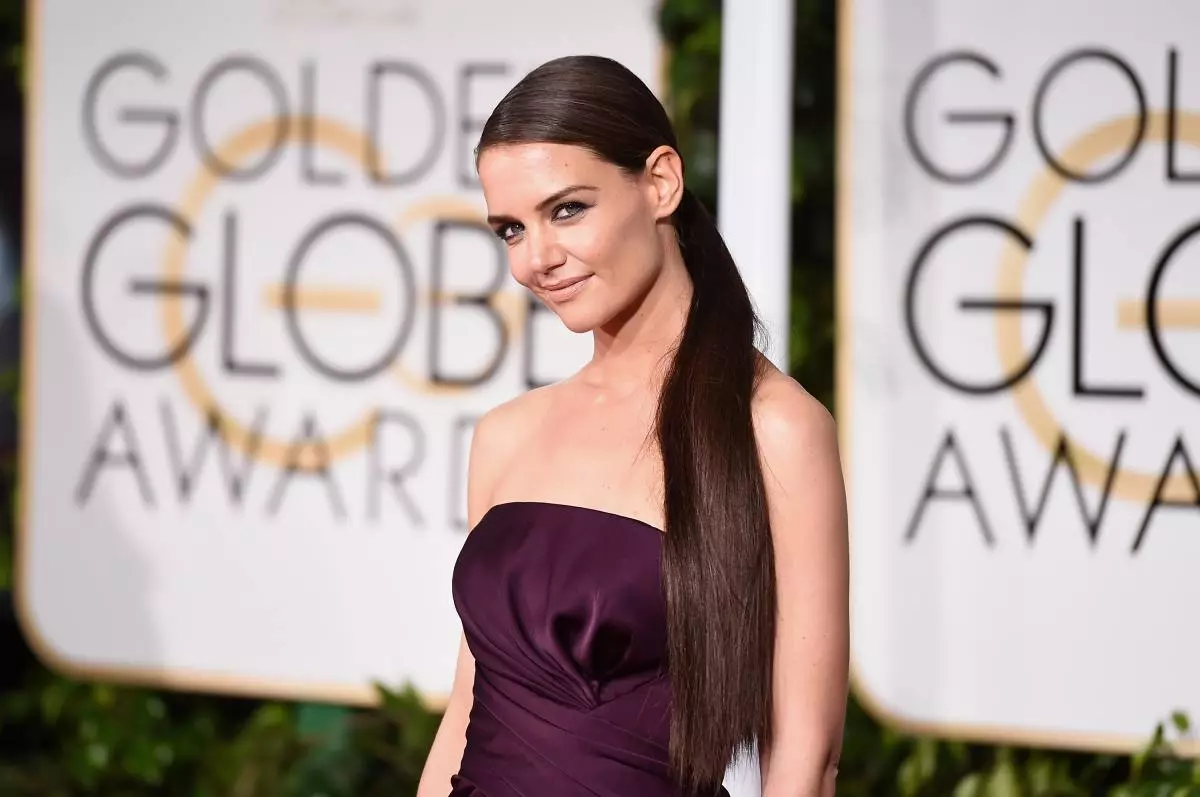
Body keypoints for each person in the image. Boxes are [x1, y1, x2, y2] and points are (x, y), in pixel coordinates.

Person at [416, 54, 849, 797]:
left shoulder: (774, 429)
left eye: (567, 210)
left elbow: (805, 755)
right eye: (511, 230)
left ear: (660, 183)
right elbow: (466, 710)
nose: (537, 260)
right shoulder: (507, 434)